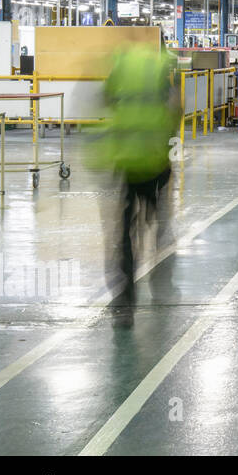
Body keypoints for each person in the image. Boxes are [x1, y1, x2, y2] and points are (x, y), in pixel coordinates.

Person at [100, 40, 180, 304]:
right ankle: (157, 226)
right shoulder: (160, 68)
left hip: (125, 157)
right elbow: (175, 107)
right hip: (155, 156)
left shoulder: (120, 64)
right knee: (154, 204)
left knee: (124, 225)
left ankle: (125, 295)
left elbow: (106, 99)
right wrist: (170, 138)